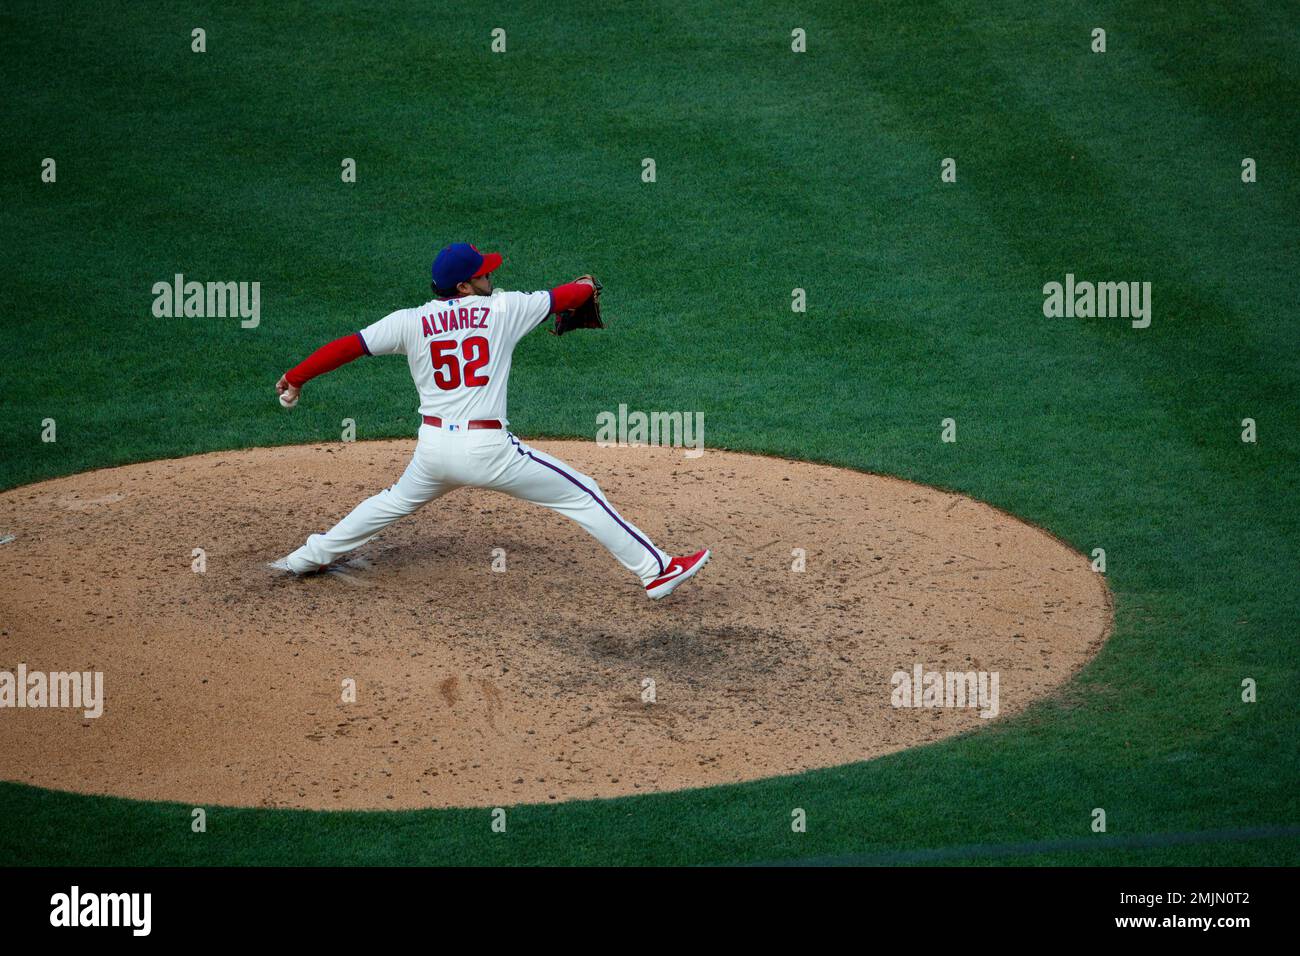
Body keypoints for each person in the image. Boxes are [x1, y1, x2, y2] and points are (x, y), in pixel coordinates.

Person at [269, 242, 709, 599]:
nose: (490, 277)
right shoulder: (503, 309)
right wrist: (586, 283)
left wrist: (295, 377)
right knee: (583, 493)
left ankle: (306, 558)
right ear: (464, 285)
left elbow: (347, 346)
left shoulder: (410, 322)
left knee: (391, 502)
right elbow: (570, 296)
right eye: (482, 274)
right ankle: (657, 570)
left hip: (434, 451)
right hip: (488, 451)